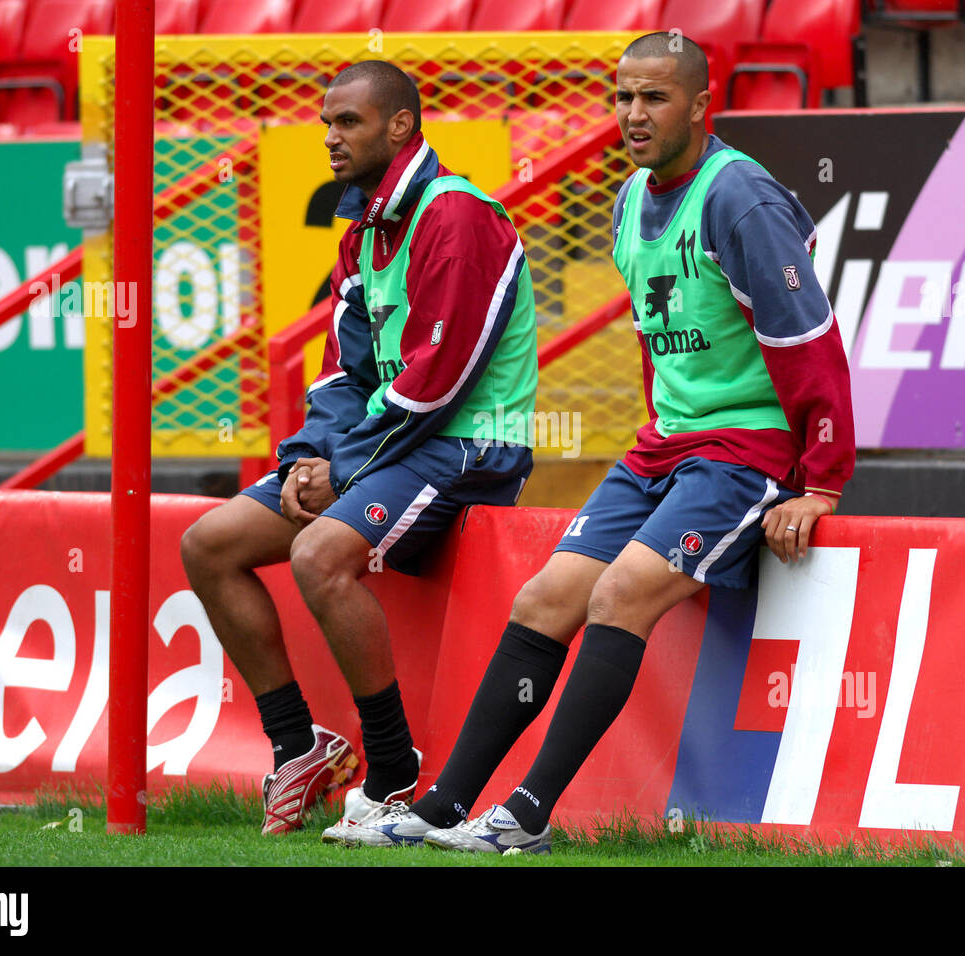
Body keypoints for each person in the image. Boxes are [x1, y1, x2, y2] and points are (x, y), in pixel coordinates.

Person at [331, 33, 855, 852]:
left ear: (698, 105)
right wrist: (662, 432)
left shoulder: (738, 198)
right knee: (542, 601)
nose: (634, 116)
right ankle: (438, 809)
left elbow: (808, 343)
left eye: (653, 98)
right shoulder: (627, 202)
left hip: (743, 452)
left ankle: (527, 816)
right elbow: (659, 343)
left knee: (618, 598)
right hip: (661, 450)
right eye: (623, 98)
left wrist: (819, 483)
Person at [180, 60, 538, 837]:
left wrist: (337, 465)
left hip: (469, 448)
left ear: (401, 126)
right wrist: (306, 456)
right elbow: (343, 370)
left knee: (316, 555)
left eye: (348, 123)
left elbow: (437, 383)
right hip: (390, 448)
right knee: (208, 544)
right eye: (327, 124)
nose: (331, 139)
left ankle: (393, 773)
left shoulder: (458, 217)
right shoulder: (364, 228)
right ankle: (298, 746)